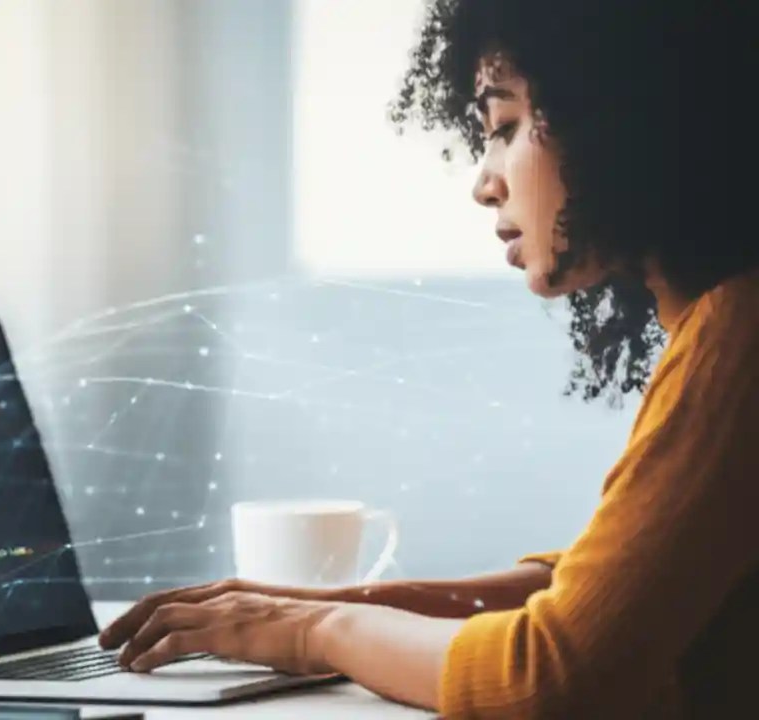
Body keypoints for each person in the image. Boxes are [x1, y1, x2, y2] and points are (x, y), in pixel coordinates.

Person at [97, 1, 759, 717]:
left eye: (505, 127)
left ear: (619, 115)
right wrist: (302, 607)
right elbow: (600, 594)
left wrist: (318, 630)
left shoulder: (739, 335)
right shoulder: (716, 324)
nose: (485, 182)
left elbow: (549, 672)